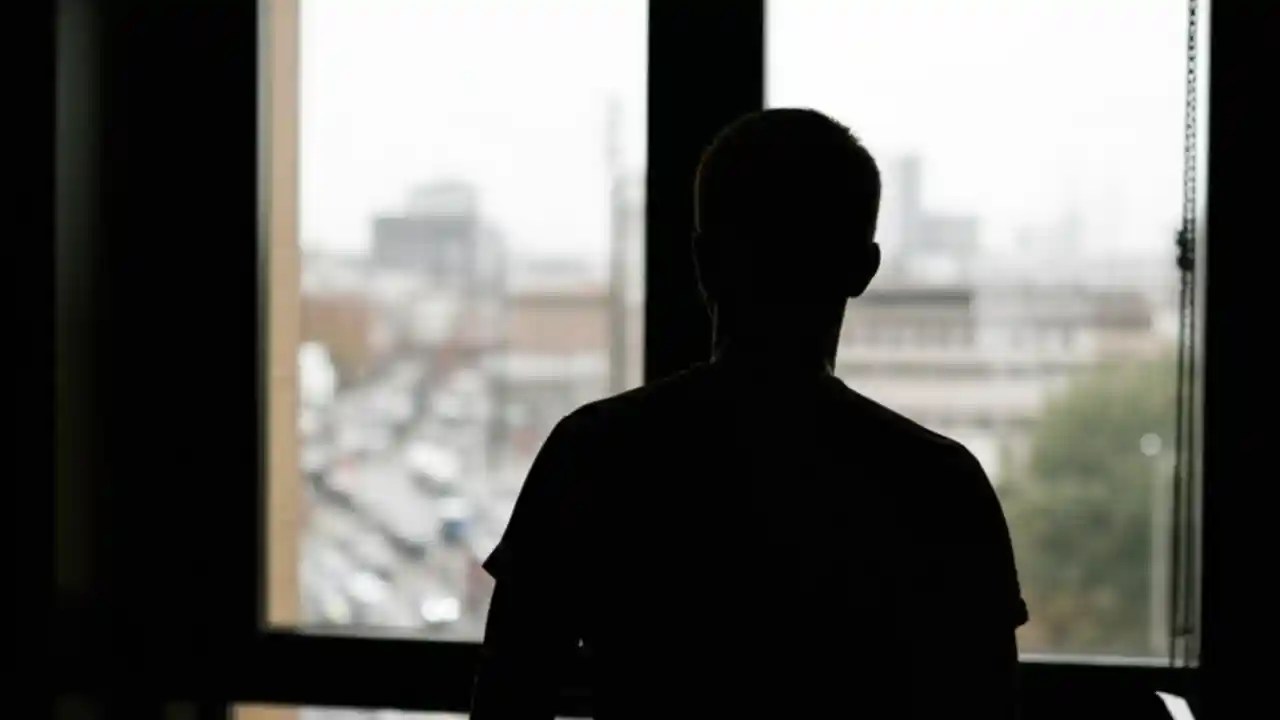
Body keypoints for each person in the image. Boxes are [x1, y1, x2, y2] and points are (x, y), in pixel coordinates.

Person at [470, 108, 1028, 719]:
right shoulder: (940, 485)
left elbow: (507, 702)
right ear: (862, 270)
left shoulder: (594, 453)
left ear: (703, 263)